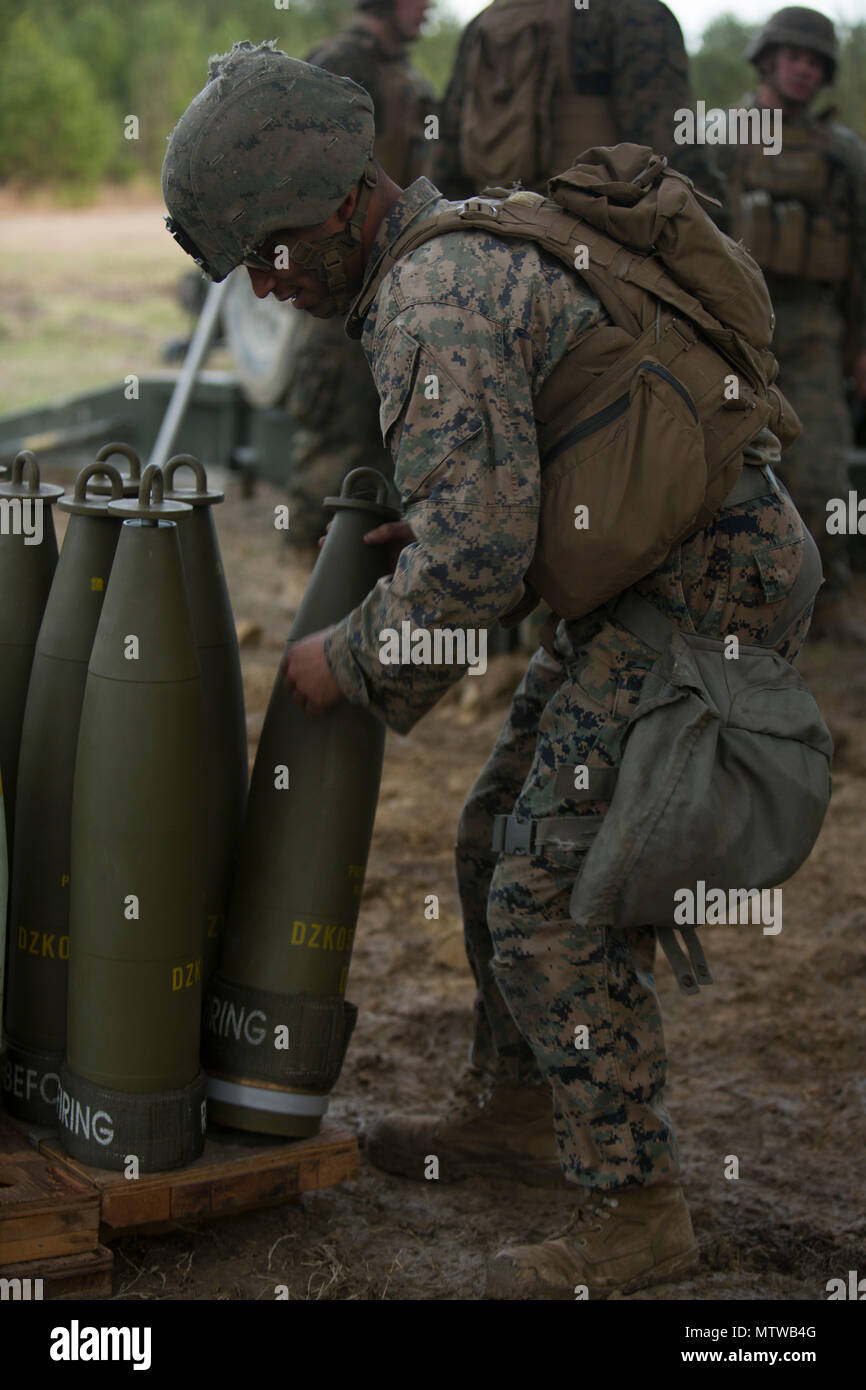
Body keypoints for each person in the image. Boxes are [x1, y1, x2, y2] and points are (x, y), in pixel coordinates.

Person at [163, 43, 817, 1299]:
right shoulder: (447, 242)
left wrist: (346, 661)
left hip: (696, 588)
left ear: (338, 207)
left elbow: (470, 570)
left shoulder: (428, 302)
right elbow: (525, 473)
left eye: (273, 252)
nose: (268, 284)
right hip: (651, 564)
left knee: (542, 887)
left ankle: (634, 1207)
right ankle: (518, 1109)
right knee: (485, 836)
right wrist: (466, 526)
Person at [714, 6, 866, 643]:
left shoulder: (842, 153)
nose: (805, 70)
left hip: (811, 327)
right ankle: (737, 606)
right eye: (795, 57)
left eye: (816, 63)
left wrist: (860, 346)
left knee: (827, 474)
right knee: (725, 469)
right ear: (769, 57)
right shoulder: (722, 135)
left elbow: (861, 254)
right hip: (734, 324)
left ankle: (831, 603)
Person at [282, 0, 435, 553]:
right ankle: (310, 572)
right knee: (336, 441)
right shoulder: (341, 62)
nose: (430, 7)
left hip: (396, 284)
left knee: (384, 443)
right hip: (341, 291)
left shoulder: (403, 74)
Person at [434, 0, 724, 202]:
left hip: (490, 245)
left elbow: (447, 157)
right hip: (596, 250)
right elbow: (673, 156)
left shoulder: (481, 27)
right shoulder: (634, 13)